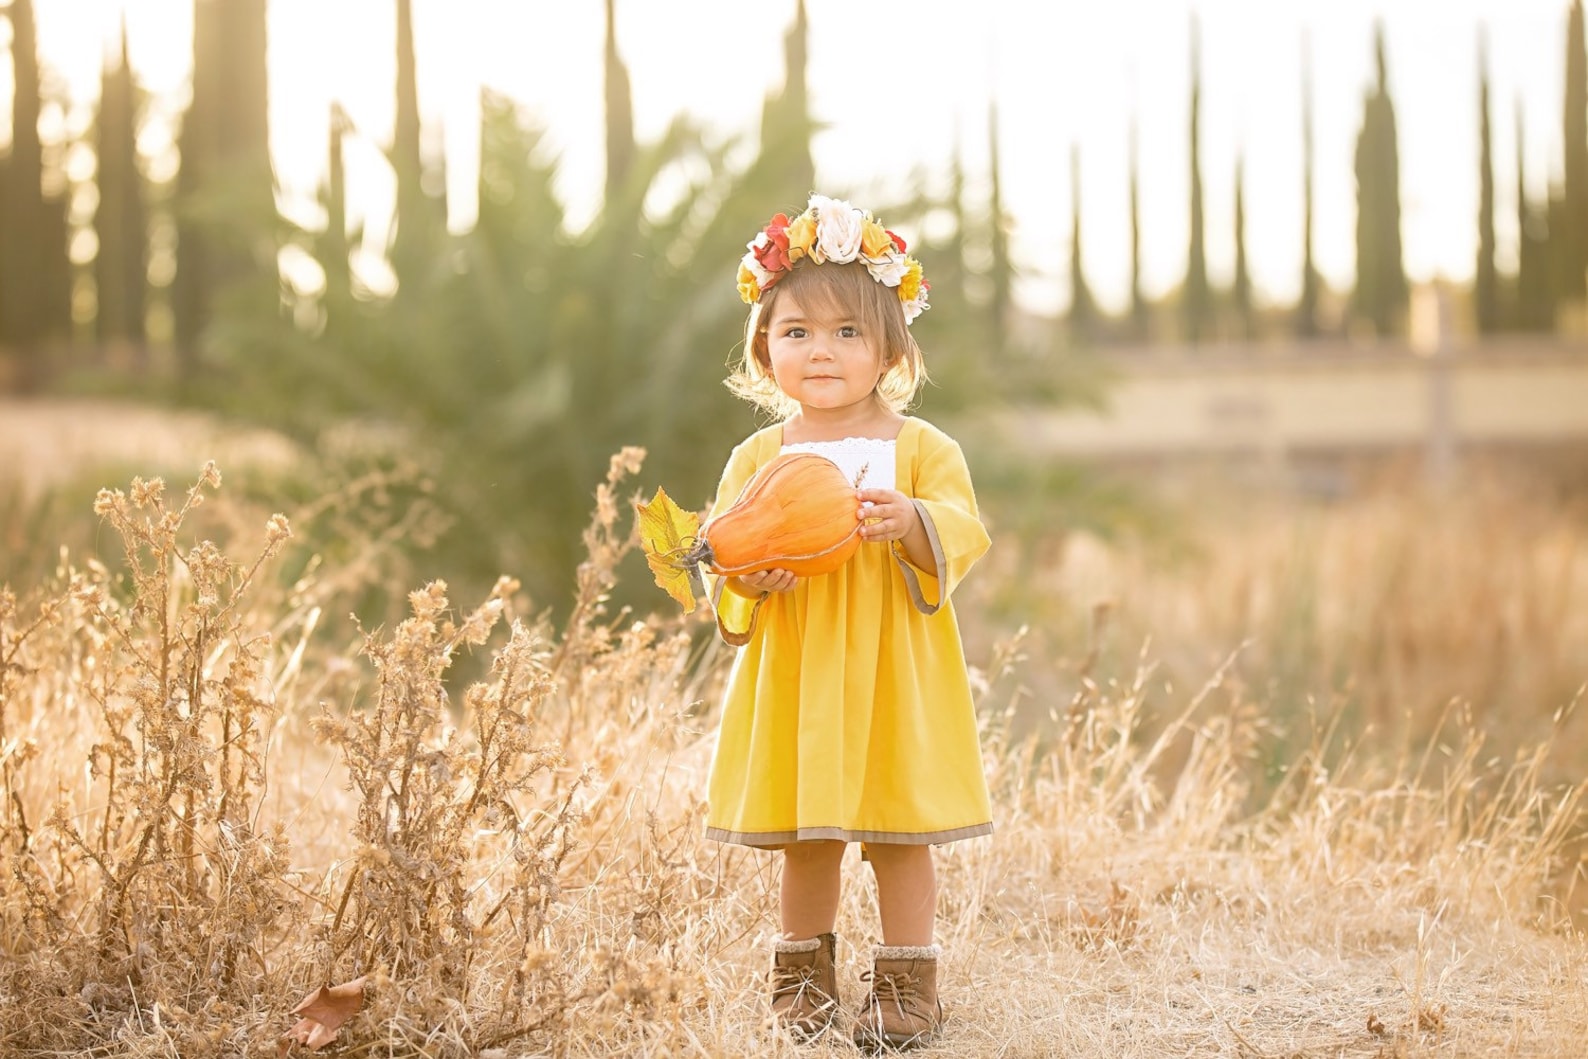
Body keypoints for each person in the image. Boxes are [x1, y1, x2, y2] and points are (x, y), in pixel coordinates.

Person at [702, 194, 993, 1050]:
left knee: (899, 834)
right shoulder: (758, 457)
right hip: (802, 671)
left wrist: (912, 520)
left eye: (846, 332)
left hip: (893, 668)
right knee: (810, 836)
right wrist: (747, 577)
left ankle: (907, 987)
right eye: (796, 331)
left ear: (890, 349)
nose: (820, 350)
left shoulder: (922, 448)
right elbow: (726, 553)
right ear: (765, 346)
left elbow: (964, 531)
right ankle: (802, 985)